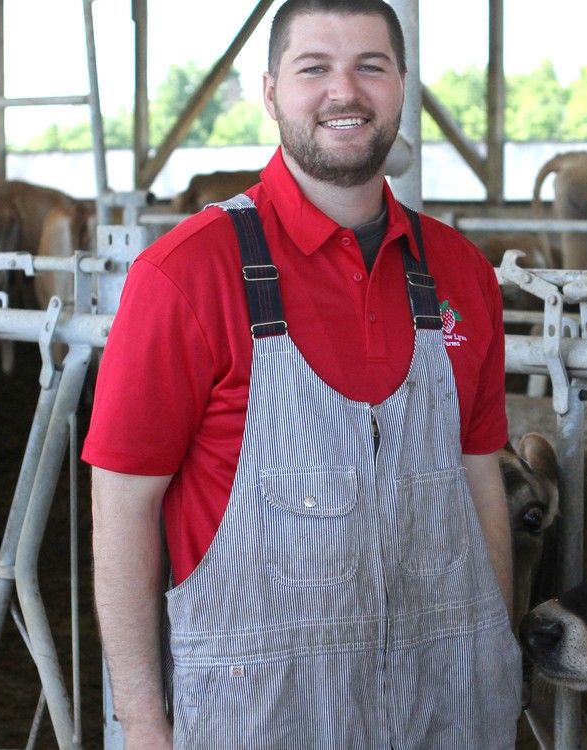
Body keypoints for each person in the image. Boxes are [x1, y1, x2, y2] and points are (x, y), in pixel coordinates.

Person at [84, 1, 522, 746]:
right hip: (257, 716)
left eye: (370, 67)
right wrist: (143, 724)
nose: (344, 93)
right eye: (313, 68)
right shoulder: (187, 273)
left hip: (443, 711)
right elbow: (123, 504)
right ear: (270, 92)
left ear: (401, 86)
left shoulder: (461, 273)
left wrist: (495, 669)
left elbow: (479, 480)